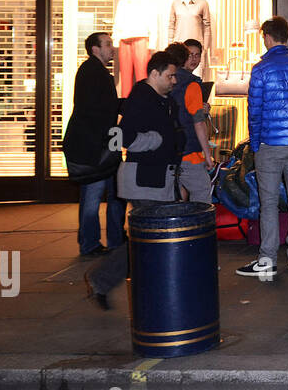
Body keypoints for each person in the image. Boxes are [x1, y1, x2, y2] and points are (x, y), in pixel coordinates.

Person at [84, 50, 182, 309]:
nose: (174, 81)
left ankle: (111, 282)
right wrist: (156, 141)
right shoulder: (141, 99)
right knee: (147, 239)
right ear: (154, 74)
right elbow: (120, 136)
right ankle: (110, 281)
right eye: (170, 76)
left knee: (146, 239)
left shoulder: (161, 99)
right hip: (145, 181)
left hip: (158, 179)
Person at [237, 17, 288, 278]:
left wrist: (256, 142)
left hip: (270, 144)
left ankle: (268, 257)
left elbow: (255, 110)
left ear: (268, 37)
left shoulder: (261, 70)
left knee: (268, 203)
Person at [64, 31, 127, 256]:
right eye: (108, 44)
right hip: (93, 147)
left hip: (100, 144)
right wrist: (124, 106)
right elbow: (99, 108)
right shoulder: (92, 71)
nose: (112, 48)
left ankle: (113, 239)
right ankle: (91, 243)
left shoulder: (95, 70)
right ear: (95, 49)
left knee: (115, 191)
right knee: (95, 193)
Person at [169, 38, 214, 202]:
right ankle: (198, 227)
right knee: (202, 193)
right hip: (188, 151)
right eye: (190, 55)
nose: (194, 59)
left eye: (197, 55)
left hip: (168, 150)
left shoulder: (165, 80)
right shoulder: (191, 84)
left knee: (177, 195)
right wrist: (208, 155)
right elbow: (198, 123)